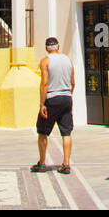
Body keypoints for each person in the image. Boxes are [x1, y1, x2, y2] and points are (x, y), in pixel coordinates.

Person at [32, 36, 74, 174]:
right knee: (66, 132)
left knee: (43, 131)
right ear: (58, 47)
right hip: (66, 96)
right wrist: (68, 95)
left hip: (52, 98)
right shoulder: (68, 59)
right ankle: (66, 164)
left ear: (46, 48)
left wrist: (42, 104)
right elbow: (73, 82)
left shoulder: (45, 61)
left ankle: (42, 163)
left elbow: (44, 83)